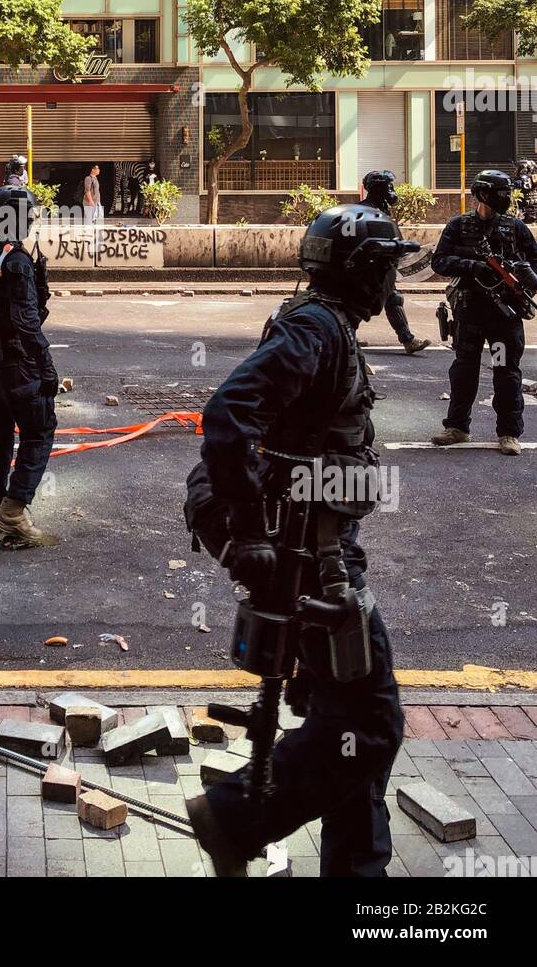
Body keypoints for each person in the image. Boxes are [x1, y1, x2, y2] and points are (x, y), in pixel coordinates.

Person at [186, 203, 418, 878]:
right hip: (313, 561)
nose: (391, 284)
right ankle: (233, 815)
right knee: (370, 725)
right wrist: (253, 535)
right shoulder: (316, 330)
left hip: (320, 550)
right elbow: (228, 414)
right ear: (360, 270)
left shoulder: (326, 325)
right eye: (384, 269)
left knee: (340, 725)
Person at [0, 180, 58, 549]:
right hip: (16, 365)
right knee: (39, 431)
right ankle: (15, 509)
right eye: (29, 216)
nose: (32, 222)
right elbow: (26, 321)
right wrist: (46, 366)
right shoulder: (16, 261)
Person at [430, 169, 537, 456]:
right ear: (483, 194)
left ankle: (508, 433)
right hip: (470, 313)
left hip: (504, 316)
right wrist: (472, 266)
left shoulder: (516, 229)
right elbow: (439, 262)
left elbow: (535, 267)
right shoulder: (458, 226)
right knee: (464, 370)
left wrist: (526, 274)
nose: (505, 198)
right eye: (501, 193)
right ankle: (457, 428)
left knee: (505, 372)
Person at [360, 170, 429, 355]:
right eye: (389, 186)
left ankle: (407, 339)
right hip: (363, 267)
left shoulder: (381, 209)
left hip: (380, 266)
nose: (392, 190)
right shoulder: (364, 210)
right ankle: (407, 340)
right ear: (379, 188)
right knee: (390, 298)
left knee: (389, 298)